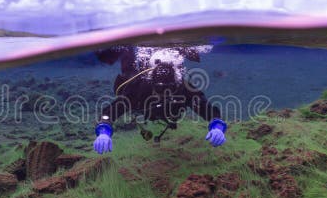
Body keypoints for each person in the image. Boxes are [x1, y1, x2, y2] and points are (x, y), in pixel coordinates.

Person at [92, 45, 227, 154]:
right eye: (160, 89)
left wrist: (217, 126)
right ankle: (124, 47)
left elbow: (207, 109)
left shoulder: (184, 89)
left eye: (170, 88)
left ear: (177, 82)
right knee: (129, 68)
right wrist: (104, 132)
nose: (165, 94)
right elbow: (109, 113)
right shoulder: (138, 89)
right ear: (151, 83)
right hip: (136, 80)